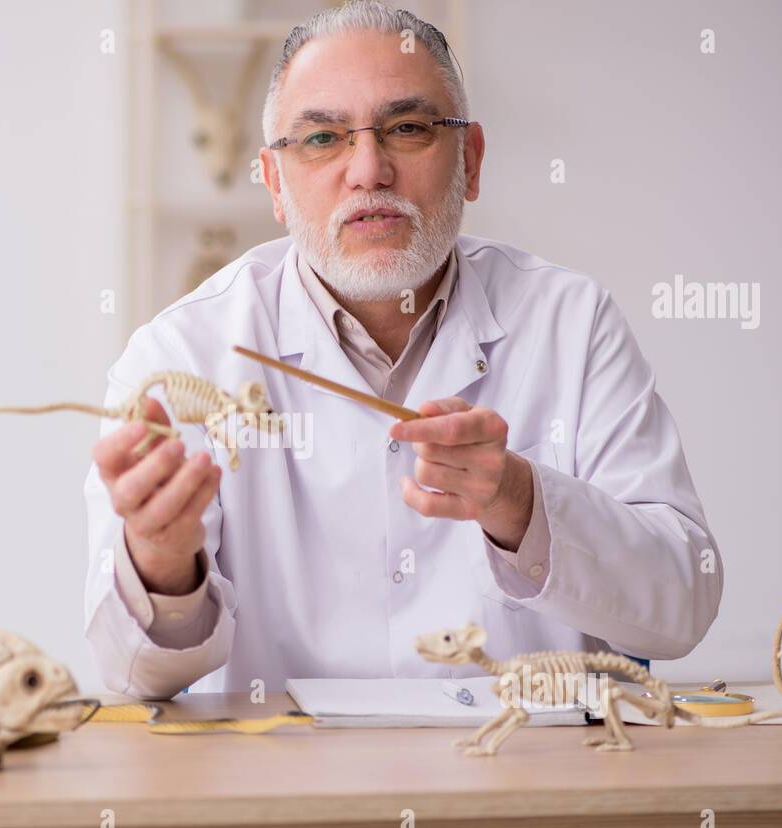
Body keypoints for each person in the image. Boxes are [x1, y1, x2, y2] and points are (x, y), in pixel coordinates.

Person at [82, 0, 722, 698]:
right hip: (282, 797)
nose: (368, 170)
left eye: (408, 128)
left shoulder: (573, 322)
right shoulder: (182, 353)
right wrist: (162, 564)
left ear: (470, 162)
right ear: (273, 182)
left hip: (522, 786)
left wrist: (520, 501)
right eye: (323, 139)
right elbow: (127, 679)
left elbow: (683, 601)